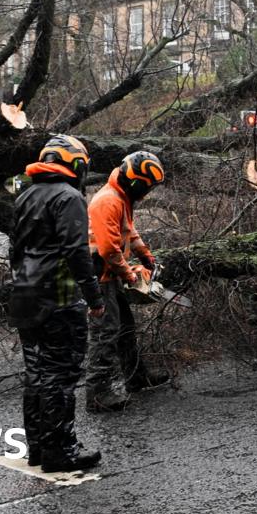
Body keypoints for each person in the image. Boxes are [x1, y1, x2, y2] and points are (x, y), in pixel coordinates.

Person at [8, 134, 104, 472]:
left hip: (24, 294)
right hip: (58, 298)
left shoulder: (26, 195)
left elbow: (14, 249)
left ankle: (38, 448)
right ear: (75, 163)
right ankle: (60, 451)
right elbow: (76, 251)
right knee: (61, 376)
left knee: (36, 373)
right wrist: (93, 295)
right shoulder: (69, 196)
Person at [85, 150, 171, 412]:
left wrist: (146, 256)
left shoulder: (121, 198)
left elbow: (129, 232)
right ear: (136, 182)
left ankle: (136, 376)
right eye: (146, 186)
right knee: (104, 333)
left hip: (111, 273)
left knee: (125, 328)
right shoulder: (108, 201)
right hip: (100, 275)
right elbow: (108, 249)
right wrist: (130, 275)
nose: (146, 192)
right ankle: (98, 394)